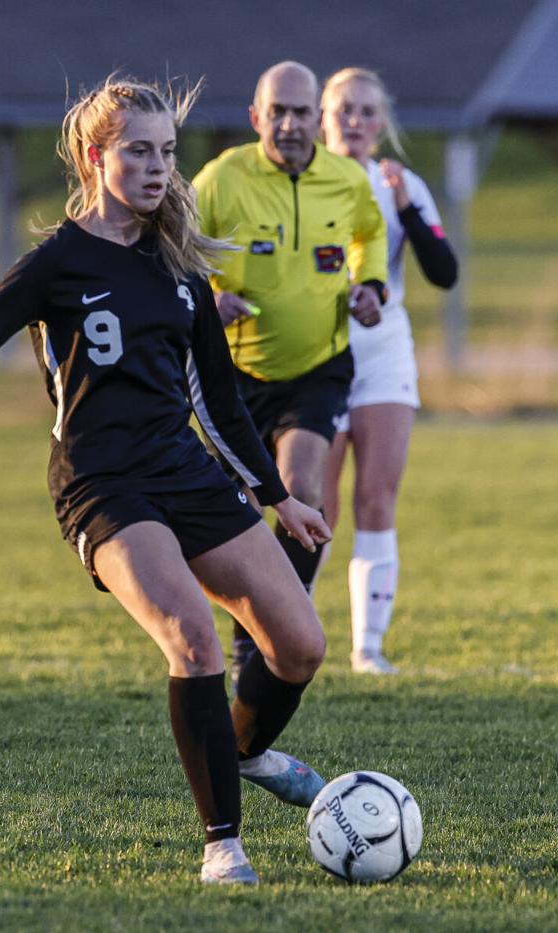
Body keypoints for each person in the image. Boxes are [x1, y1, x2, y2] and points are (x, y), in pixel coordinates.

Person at [0, 77, 329, 886]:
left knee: (300, 646)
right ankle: (221, 844)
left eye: (166, 153)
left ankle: (240, 752)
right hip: (100, 484)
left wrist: (277, 496)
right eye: (138, 152)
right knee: (191, 639)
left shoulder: (179, 268)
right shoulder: (56, 262)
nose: (158, 168)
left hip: (181, 470)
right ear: (96, 157)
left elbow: (217, 399)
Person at [191, 61, 388, 676]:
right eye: (277, 111)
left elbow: (369, 234)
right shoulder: (223, 179)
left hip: (317, 367)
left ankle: (280, 624)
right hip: (236, 374)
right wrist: (205, 299)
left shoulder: (345, 180)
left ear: (317, 119)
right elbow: (174, 244)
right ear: (256, 117)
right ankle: (255, 627)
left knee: (303, 491)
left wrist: (371, 286)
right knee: (243, 512)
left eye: (301, 112)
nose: (290, 124)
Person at [318, 68, 458, 675]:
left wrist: (406, 206)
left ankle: (368, 649)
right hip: (314, 354)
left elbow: (445, 271)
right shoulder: (301, 185)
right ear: (323, 117)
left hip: (382, 353)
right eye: (344, 109)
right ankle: (281, 640)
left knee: (377, 495)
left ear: (383, 122)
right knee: (312, 509)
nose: (355, 121)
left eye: (368, 112)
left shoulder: (400, 182)